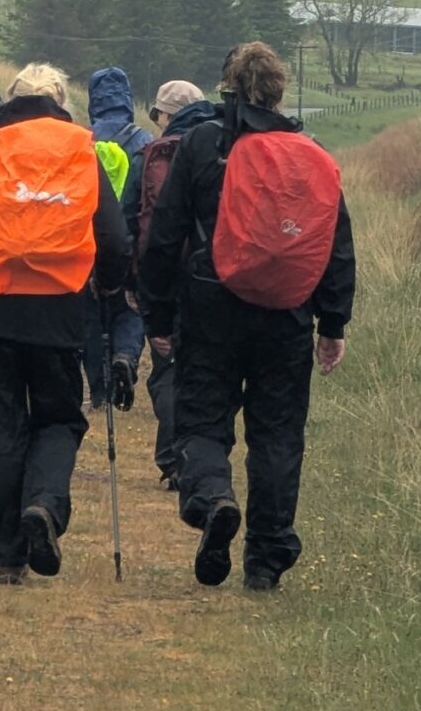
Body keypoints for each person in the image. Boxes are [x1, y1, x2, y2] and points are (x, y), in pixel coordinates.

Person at [139, 43, 354, 593]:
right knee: (278, 434)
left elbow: (165, 234)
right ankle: (266, 557)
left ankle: (213, 498)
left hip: (210, 305)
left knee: (203, 419)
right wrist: (332, 324)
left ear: (228, 87)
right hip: (286, 313)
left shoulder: (203, 144)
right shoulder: (312, 153)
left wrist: (157, 314)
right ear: (280, 89)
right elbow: (335, 243)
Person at [0, 63, 131, 584]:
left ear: (9, 99)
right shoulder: (82, 153)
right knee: (59, 418)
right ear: (62, 103)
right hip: (59, 311)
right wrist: (106, 288)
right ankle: (43, 504)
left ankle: (8, 559)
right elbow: (116, 239)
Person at [124, 78, 221, 488]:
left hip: (162, 276)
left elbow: (130, 221)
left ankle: (170, 457)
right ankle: (194, 455)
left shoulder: (150, 156)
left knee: (165, 366)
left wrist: (133, 281)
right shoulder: (220, 149)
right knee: (200, 368)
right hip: (213, 277)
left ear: (164, 115)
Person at [83, 67, 151, 410]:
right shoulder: (144, 142)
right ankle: (125, 354)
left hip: (89, 241)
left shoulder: (83, 139)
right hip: (130, 243)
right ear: (128, 100)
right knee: (129, 309)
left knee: (91, 316)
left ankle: (99, 392)